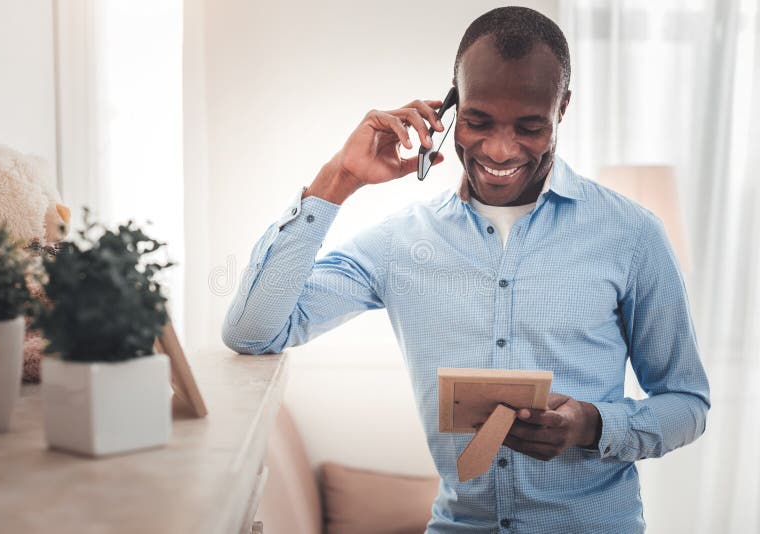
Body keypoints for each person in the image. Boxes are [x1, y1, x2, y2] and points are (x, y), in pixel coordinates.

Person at [222, 6, 710, 533]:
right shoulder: (400, 242)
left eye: (529, 126)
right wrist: (338, 179)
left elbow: (687, 403)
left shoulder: (632, 235)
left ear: (561, 109)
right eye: (478, 121)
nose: (500, 150)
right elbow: (254, 332)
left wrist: (593, 425)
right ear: (450, 104)